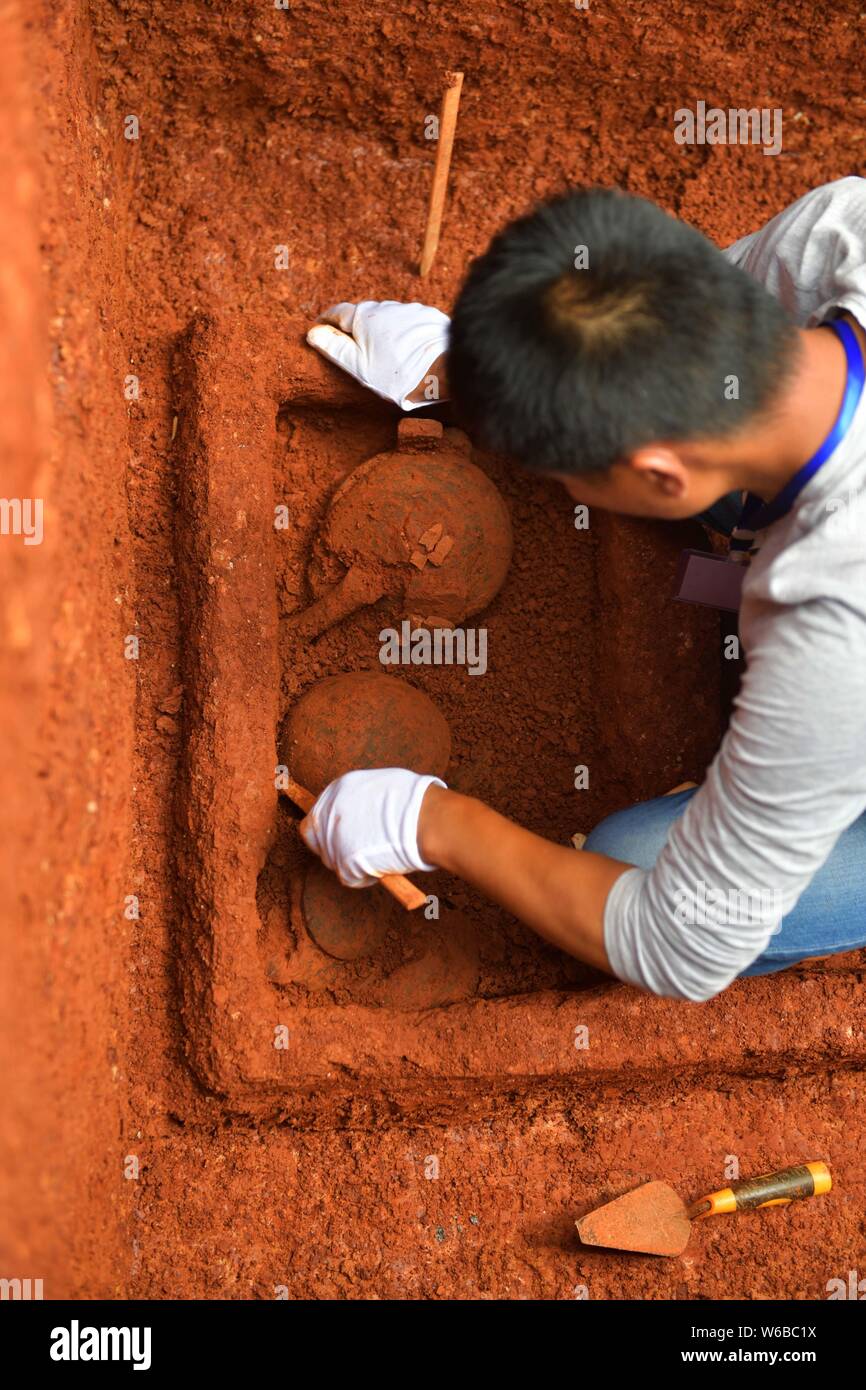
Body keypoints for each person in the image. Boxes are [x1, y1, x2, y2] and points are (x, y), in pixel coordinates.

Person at [301, 177, 866, 1002]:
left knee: (628, 867)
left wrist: (435, 823)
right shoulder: (841, 230)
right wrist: (484, 364)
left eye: (564, 473)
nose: (558, 484)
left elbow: (681, 944)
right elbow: (656, 357)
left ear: (659, 477)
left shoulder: (829, 628)